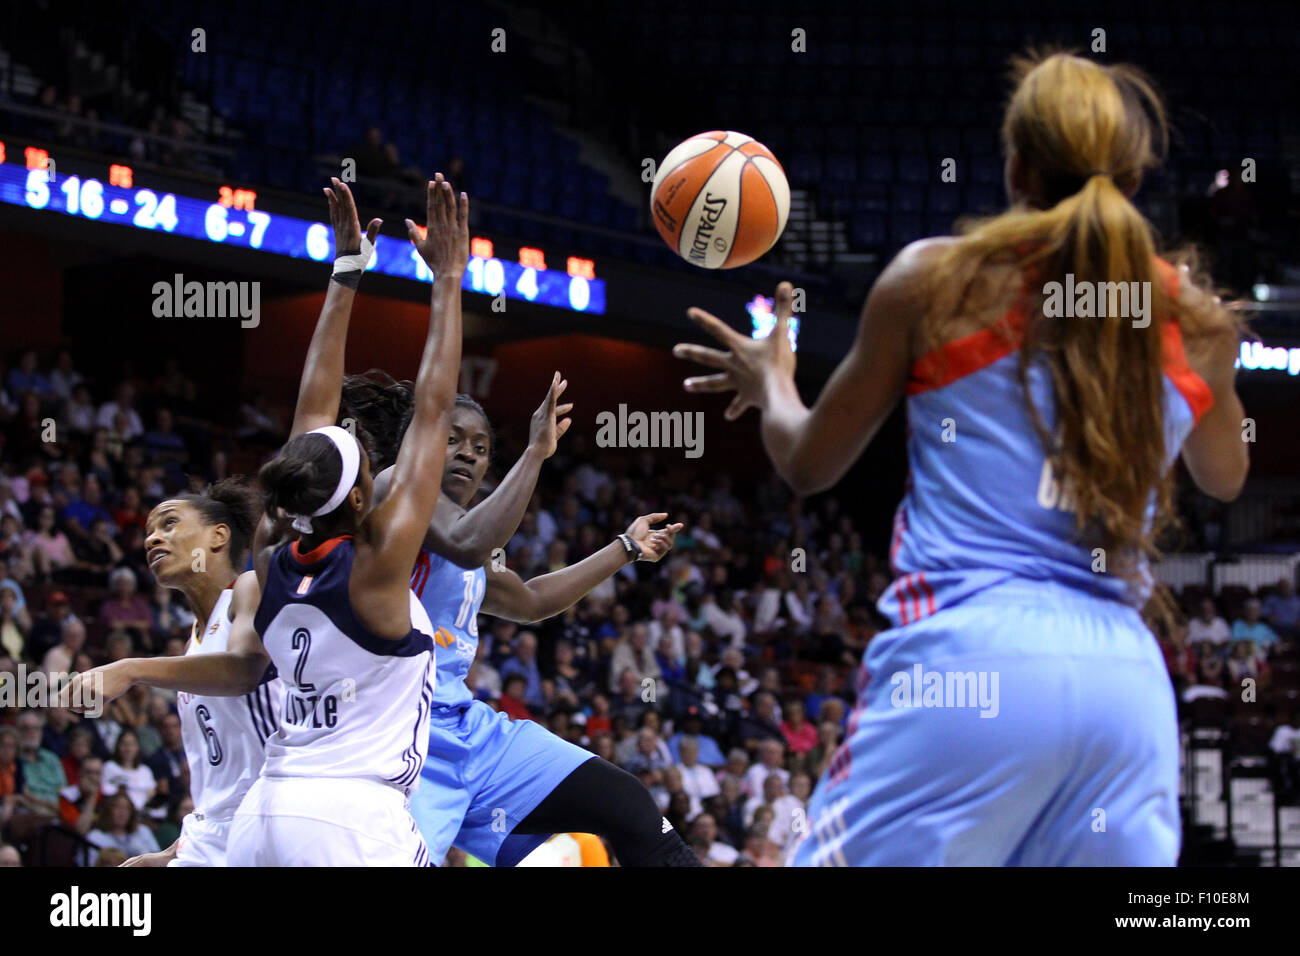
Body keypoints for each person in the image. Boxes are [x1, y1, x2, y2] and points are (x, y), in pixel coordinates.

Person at [677, 51, 1248, 866]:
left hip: (974, 665)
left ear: (1016, 166)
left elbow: (807, 465)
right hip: (1128, 685)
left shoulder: (934, 280)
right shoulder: (1198, 323)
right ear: (1133, 172)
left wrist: (774, 384)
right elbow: (1224, 478)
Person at [342, 360, 696, 867]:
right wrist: (536, 452)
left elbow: (530, 602)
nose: (468, 452)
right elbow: (467, 541)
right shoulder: (396, 489)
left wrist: (626, 548)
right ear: (417, 447)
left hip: (466, 732)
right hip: (395, 737)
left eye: (482, 448)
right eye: (453, 439)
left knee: (626, 803)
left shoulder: (465, 539)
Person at [223, 176, 463, 866]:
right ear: (359, 499)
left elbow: (310, 417)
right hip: (351, 821)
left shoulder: (269, 557)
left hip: (263, 813)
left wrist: (347, 271)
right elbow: (436, 409)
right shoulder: (378, 565)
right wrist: (447, 279)